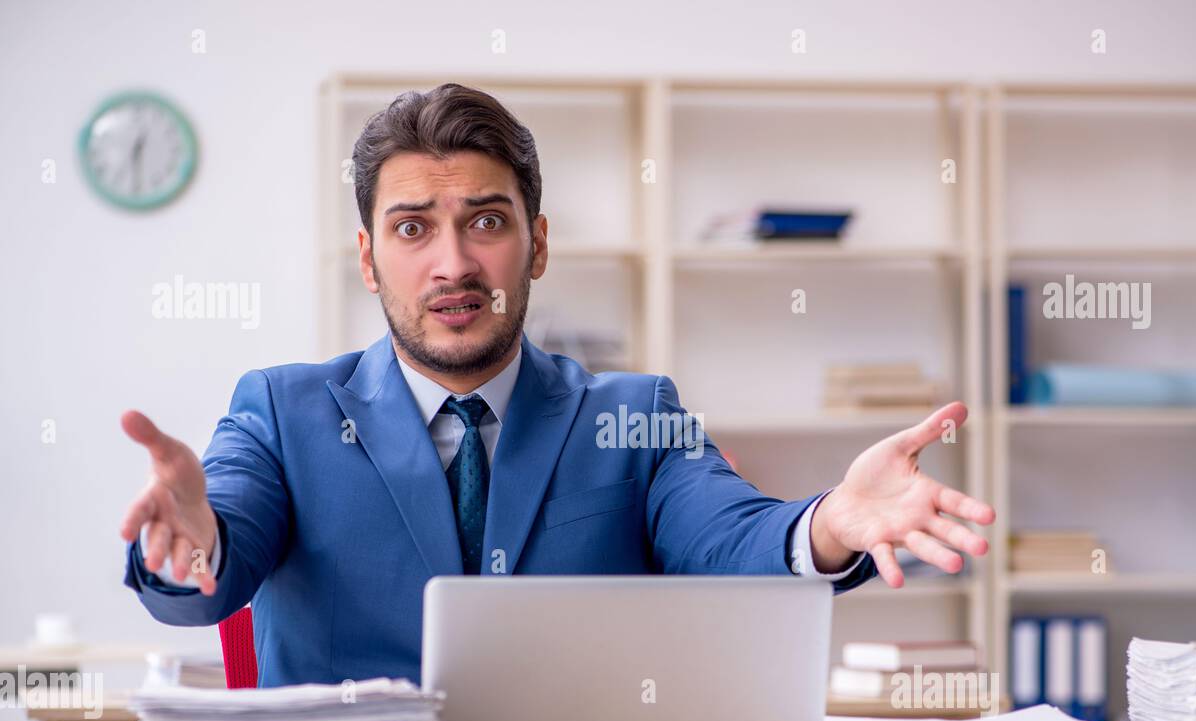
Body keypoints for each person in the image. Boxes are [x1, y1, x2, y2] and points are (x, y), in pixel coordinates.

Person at [120, 84, 995, 687]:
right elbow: (213, 564)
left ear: (536, 245)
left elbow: (733, 540)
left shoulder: (634, 415)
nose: (453, 263)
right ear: (367, 257)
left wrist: (830, 524)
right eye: (413, 228)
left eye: (486, 222)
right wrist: (196, 540)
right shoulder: (282, 412)